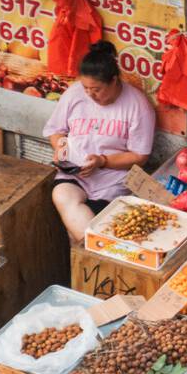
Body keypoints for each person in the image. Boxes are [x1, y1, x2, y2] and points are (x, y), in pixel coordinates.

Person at [44, 41, 156, 244]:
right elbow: (55, 130)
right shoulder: (74, 94)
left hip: (112, 180)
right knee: (61, 195)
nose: (89, 94)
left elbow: (140, 156)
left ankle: (92, 252)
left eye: (96, 89)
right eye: (85, 88)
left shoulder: (137, 105)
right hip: (75, 173)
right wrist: (61, 146)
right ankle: (94, 250)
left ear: (114, 81)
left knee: (79, 230)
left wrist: (102, 161)